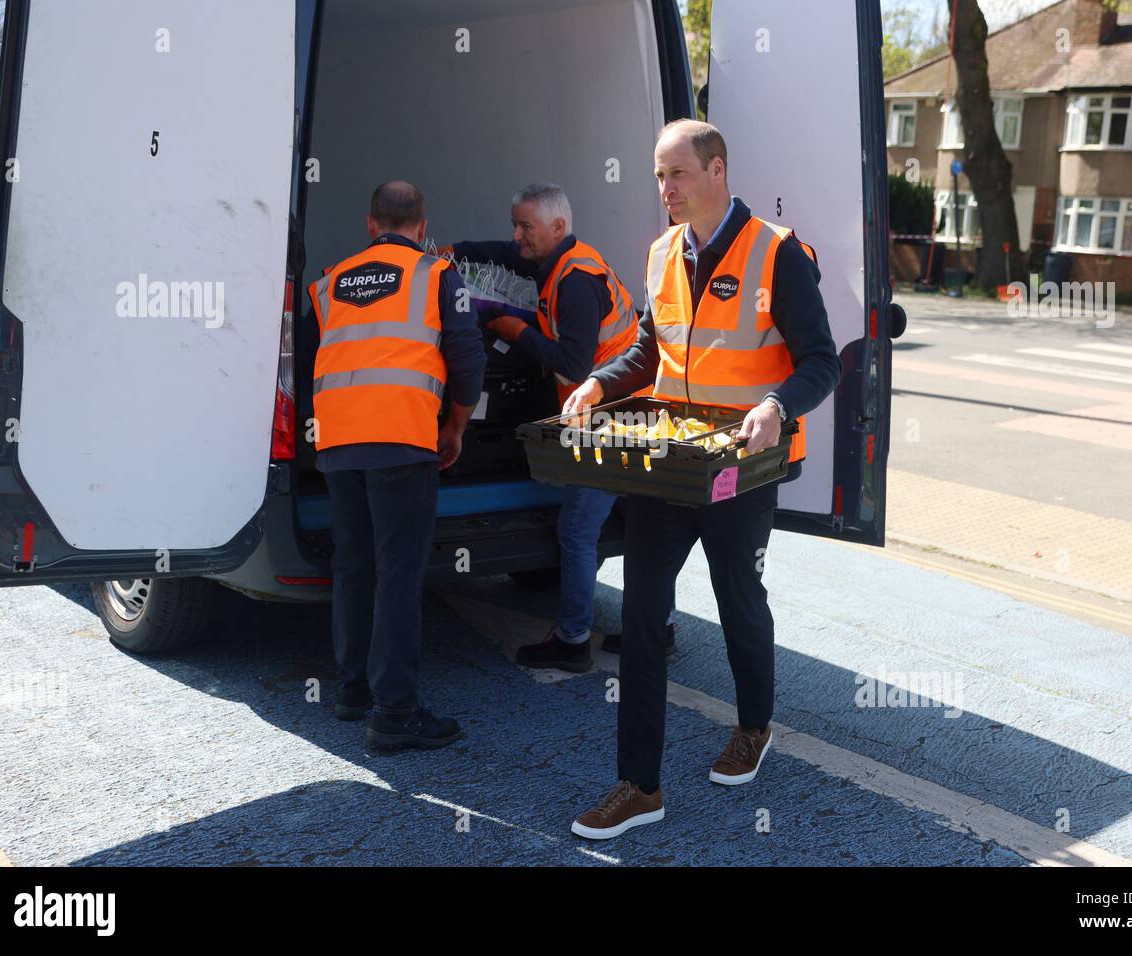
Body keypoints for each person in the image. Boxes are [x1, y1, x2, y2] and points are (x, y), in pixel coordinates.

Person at [564, 120, 843, 839]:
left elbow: (822, 360)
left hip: (741, 467)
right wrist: (598, 384)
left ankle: (753, 725)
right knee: (642, 613)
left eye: (677, 174)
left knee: (737, 597)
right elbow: (647, 351)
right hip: (669, 460)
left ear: (717, 170)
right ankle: (639, 786)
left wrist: (777, 406)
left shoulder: (777, 253)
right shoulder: (660, 252)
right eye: (659, 176)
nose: (665, 190)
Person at [308, 180, 485, 753]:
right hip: (403, 440)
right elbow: (467, 358)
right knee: (398, 574)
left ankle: (353, 689)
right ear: (422, 224)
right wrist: (455, 427)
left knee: (354, 567)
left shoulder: (331, 280)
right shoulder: (436, 274)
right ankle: (395, 712)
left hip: (337, 442)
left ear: (370, 224)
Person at [450, 183, 642, 672]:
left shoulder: (575, 284)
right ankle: (652, 629)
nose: (517, 236)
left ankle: (573, 640)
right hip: (631, 411)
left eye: (525, 227)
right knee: (643, 523)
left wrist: (512, 329)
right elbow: (509, 257)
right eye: (514, 224)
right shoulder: (566, 258)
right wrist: (456, 253)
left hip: (607, 420)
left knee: (578, 530)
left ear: (557, 227)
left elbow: (574, 365)